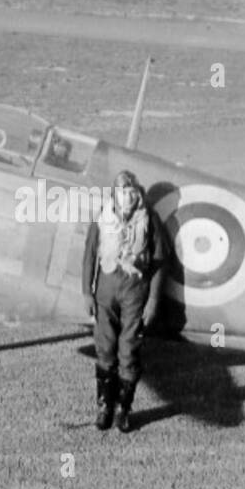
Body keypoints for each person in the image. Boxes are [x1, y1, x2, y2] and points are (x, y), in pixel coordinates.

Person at [82, 170, 166, 433]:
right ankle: (104, 407)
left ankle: (123, 409)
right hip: (106, 290)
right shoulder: (103, 218)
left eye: (131, 192)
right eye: (122, 192)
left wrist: (153, 301)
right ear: (115, 195)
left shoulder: (149, 219)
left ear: (138, 194)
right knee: (105, 348)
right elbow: (89, 255)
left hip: (135, 291)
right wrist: (87, 292)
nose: (127, 197)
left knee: (128, 351)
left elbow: (160, 261)